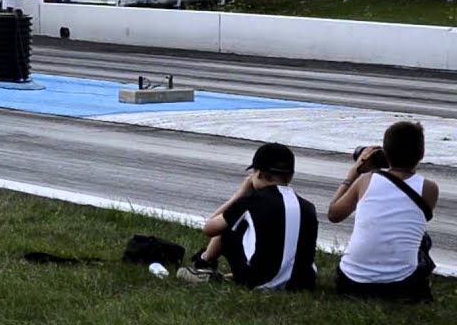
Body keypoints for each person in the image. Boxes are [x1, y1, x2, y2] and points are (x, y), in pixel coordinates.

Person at [177, 143, 318, 291]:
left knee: (229, 225)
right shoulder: (308, 206)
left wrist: (239, 195)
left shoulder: (250, 201)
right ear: (291, 175)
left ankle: (203, 264)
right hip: (303, 282)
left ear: (258, 174)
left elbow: (209, 228)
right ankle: (283, 273)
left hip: (256, 281)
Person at [329, 121, 439, 303]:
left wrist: (353, 173)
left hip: (350, 281)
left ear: (386, 153)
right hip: (400, 286)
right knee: (421, 238)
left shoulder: (365, 180)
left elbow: (334, 214)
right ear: (421, 154)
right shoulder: (429, 188)